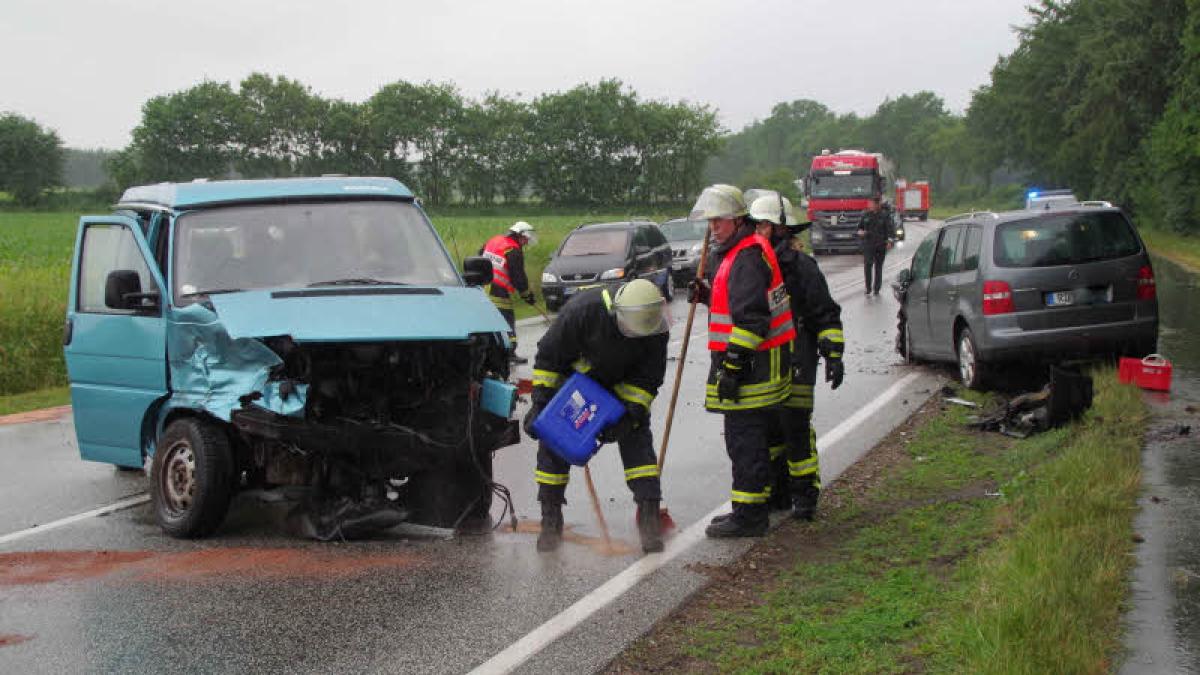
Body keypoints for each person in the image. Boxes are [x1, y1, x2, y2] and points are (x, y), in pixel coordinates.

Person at [522, 279, 670, 553]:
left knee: (638, 444)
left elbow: (648, 380)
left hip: (622, 391)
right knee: (554, 444)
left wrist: (629, 416)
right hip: (580, 384)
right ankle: (550, 520)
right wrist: (540, 405)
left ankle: (649, 518)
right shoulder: (583, 311)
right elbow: (548, 358)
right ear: (616, 312)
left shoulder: (655, 327)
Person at [687, 185, 797, 538]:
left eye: (718, 221)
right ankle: (770, 500)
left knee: (744, 442)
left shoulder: (745, 257)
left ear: (736, 220)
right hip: (765, 365)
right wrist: (706, 296)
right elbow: (735, 307)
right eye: (710, 222)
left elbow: (751, 322)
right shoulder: (741, 250)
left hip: (753, 370)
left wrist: (732, 369)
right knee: (763, 438)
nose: (713, 228)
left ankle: (749, 515)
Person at [745, 191, 844, 521]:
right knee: (770, 430)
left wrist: (833, 353)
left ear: (778, 229)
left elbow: (824, 313)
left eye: (761, 225)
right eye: (753, 226)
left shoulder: (802, 267)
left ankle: (805, 496)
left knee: (795, 428)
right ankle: (779, 491)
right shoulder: (752, 265)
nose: (755, 232)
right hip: (765, 362)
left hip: (798, 357)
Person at [481, 221, 539, 364]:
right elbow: (518, 276)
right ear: (519, 235)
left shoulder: (495, 241)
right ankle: (509, 353)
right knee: (507, 320)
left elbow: (479, 255)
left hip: (483, 288)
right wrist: (527, 295)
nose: (526, 242)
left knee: (489, 322)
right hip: (498, 291)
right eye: (526, 239)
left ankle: (489, 354)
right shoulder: (513, 250)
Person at [857, 199, 892, 295]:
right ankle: (868, 288)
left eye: (871, 203)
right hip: (868, 244)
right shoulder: (865, 215)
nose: (869, 205)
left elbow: (889, 229)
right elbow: (859, 228)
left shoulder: (884, 215)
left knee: (878, 266)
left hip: (880, 244)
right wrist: (860, 232)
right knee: (868, 265)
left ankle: (877, 288)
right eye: (869, 203)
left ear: (877, 204)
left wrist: (889, 241)